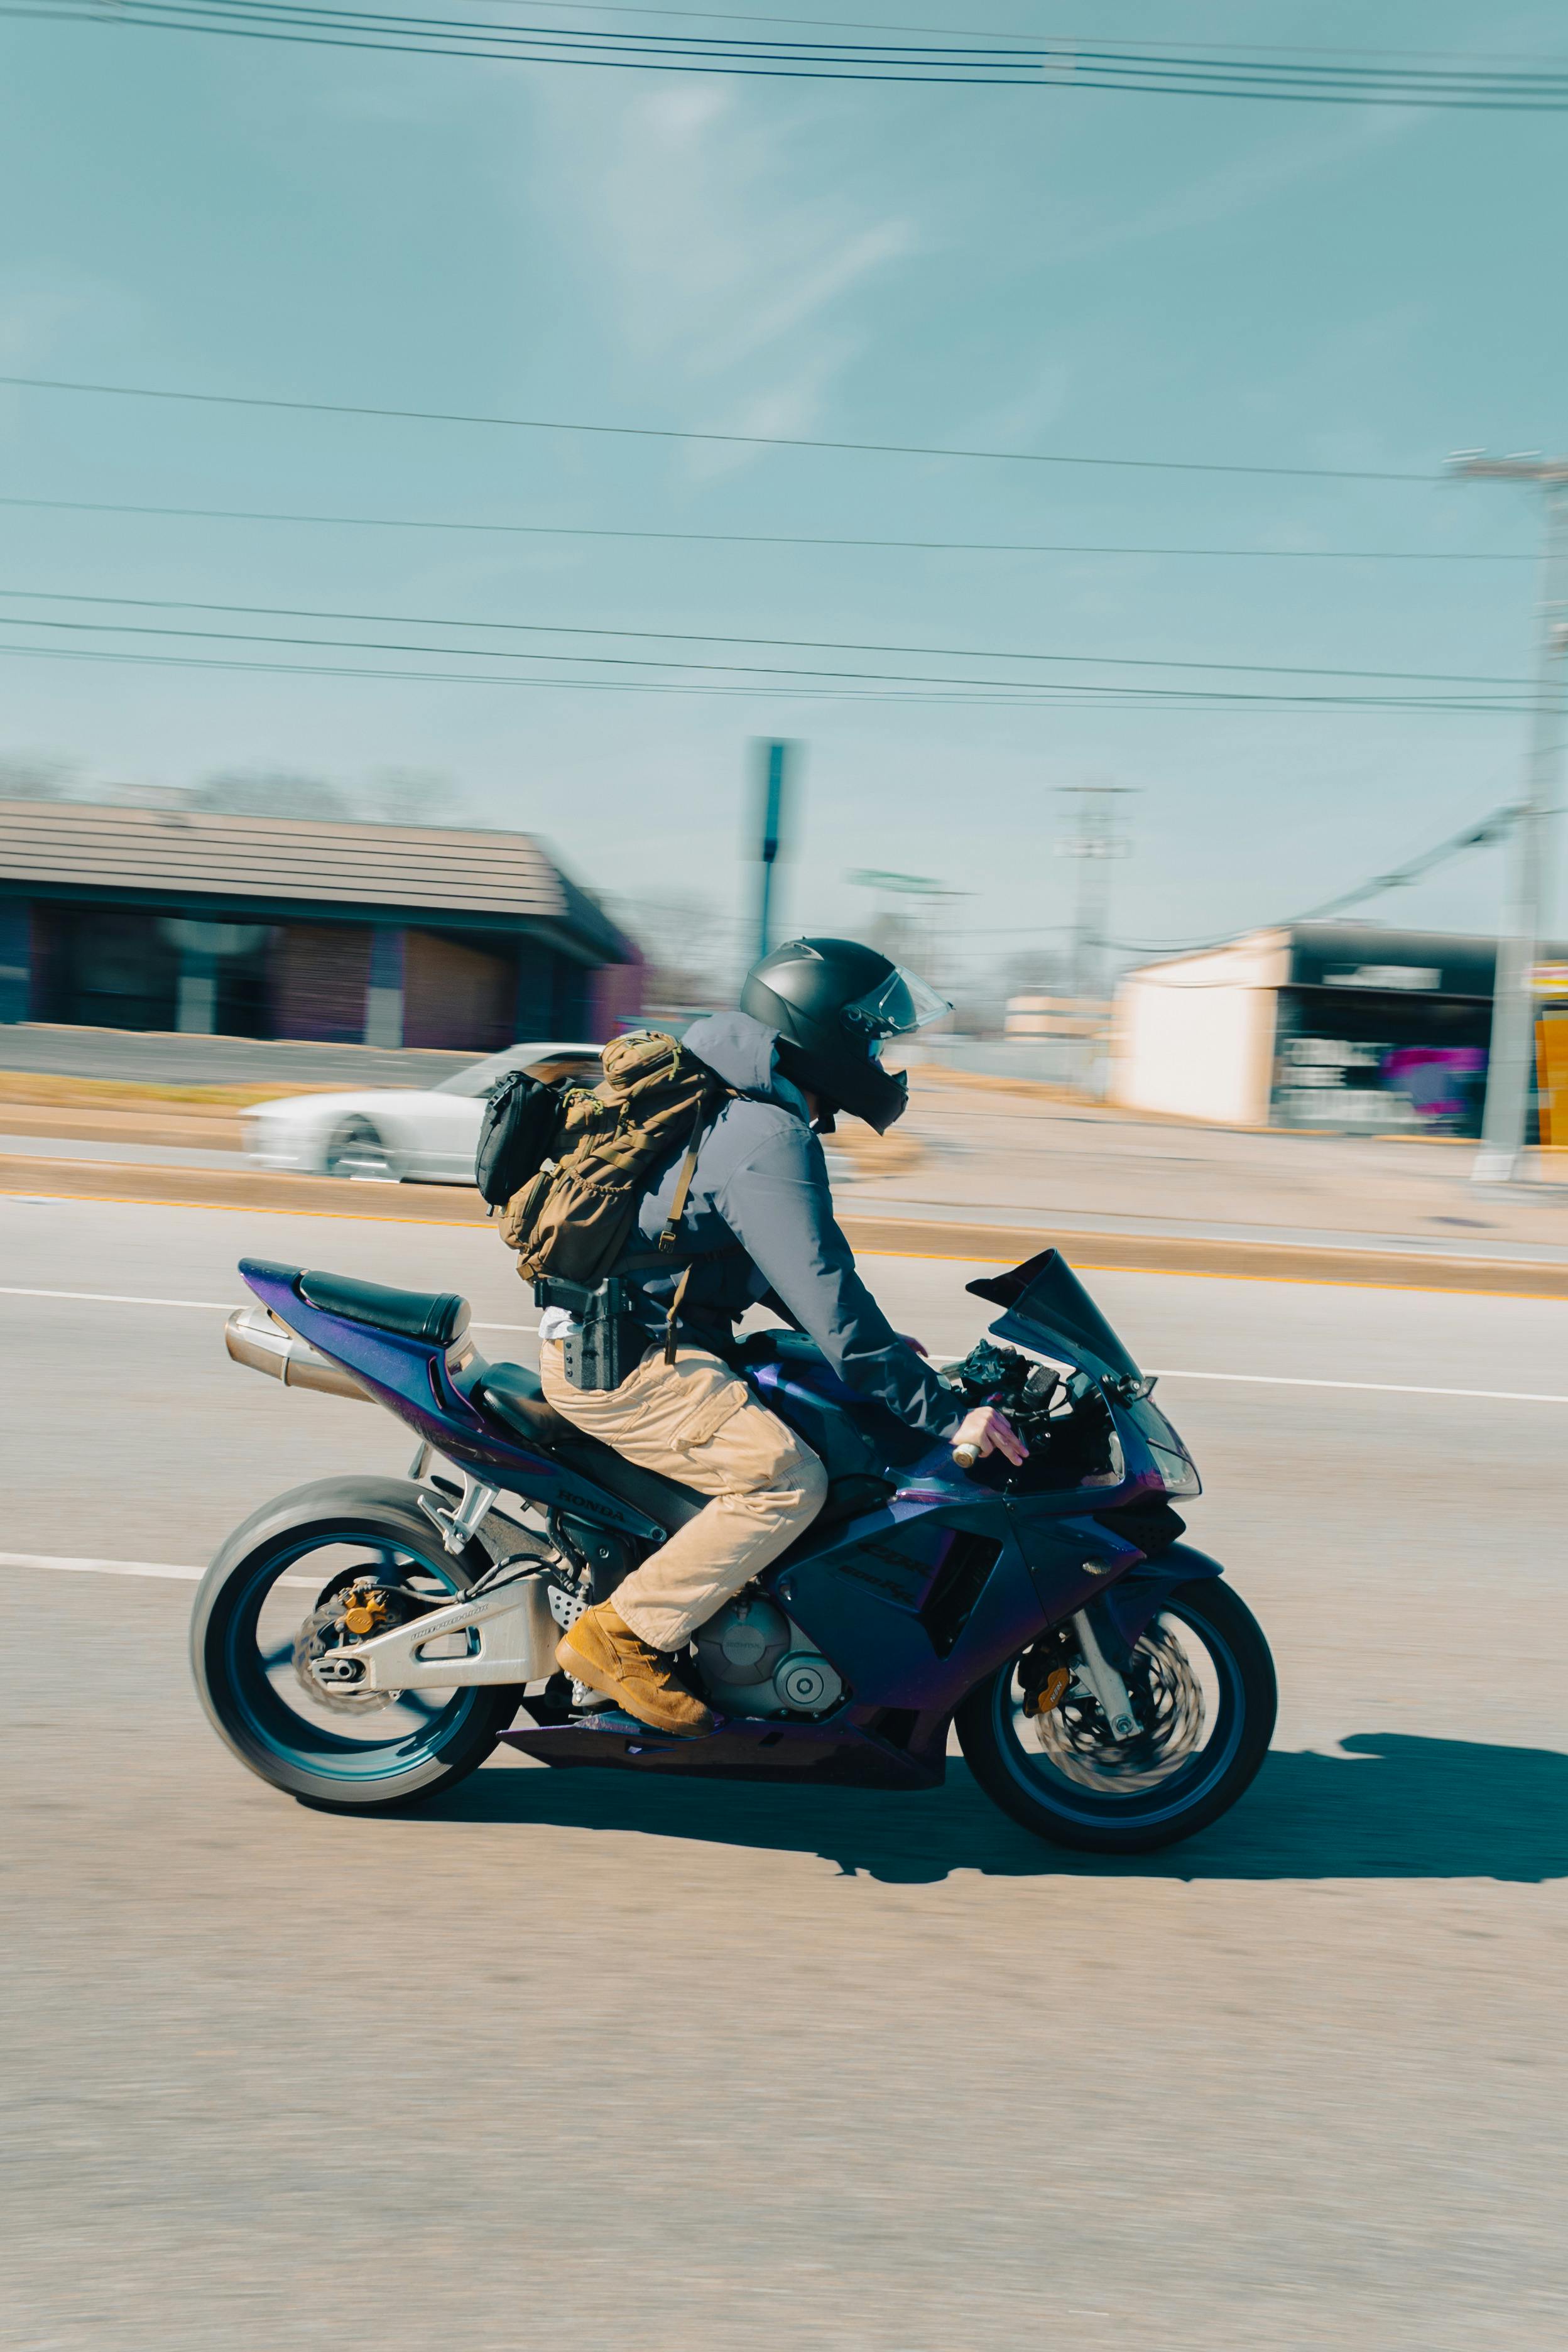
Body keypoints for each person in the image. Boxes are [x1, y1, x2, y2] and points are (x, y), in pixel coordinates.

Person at [543, 936, 1026, 1735]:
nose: (877, 1054)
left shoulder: (742, 1106)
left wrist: (873, 1349)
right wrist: (945, 1415)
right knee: (785, 1479)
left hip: (638, 1335)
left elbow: (777, 1273)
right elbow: (825, 1286)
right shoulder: (768, 1133)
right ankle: (620, 1637)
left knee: (829, 1410)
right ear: (823, 1031)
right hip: (626, 1358)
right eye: (869, 1035)